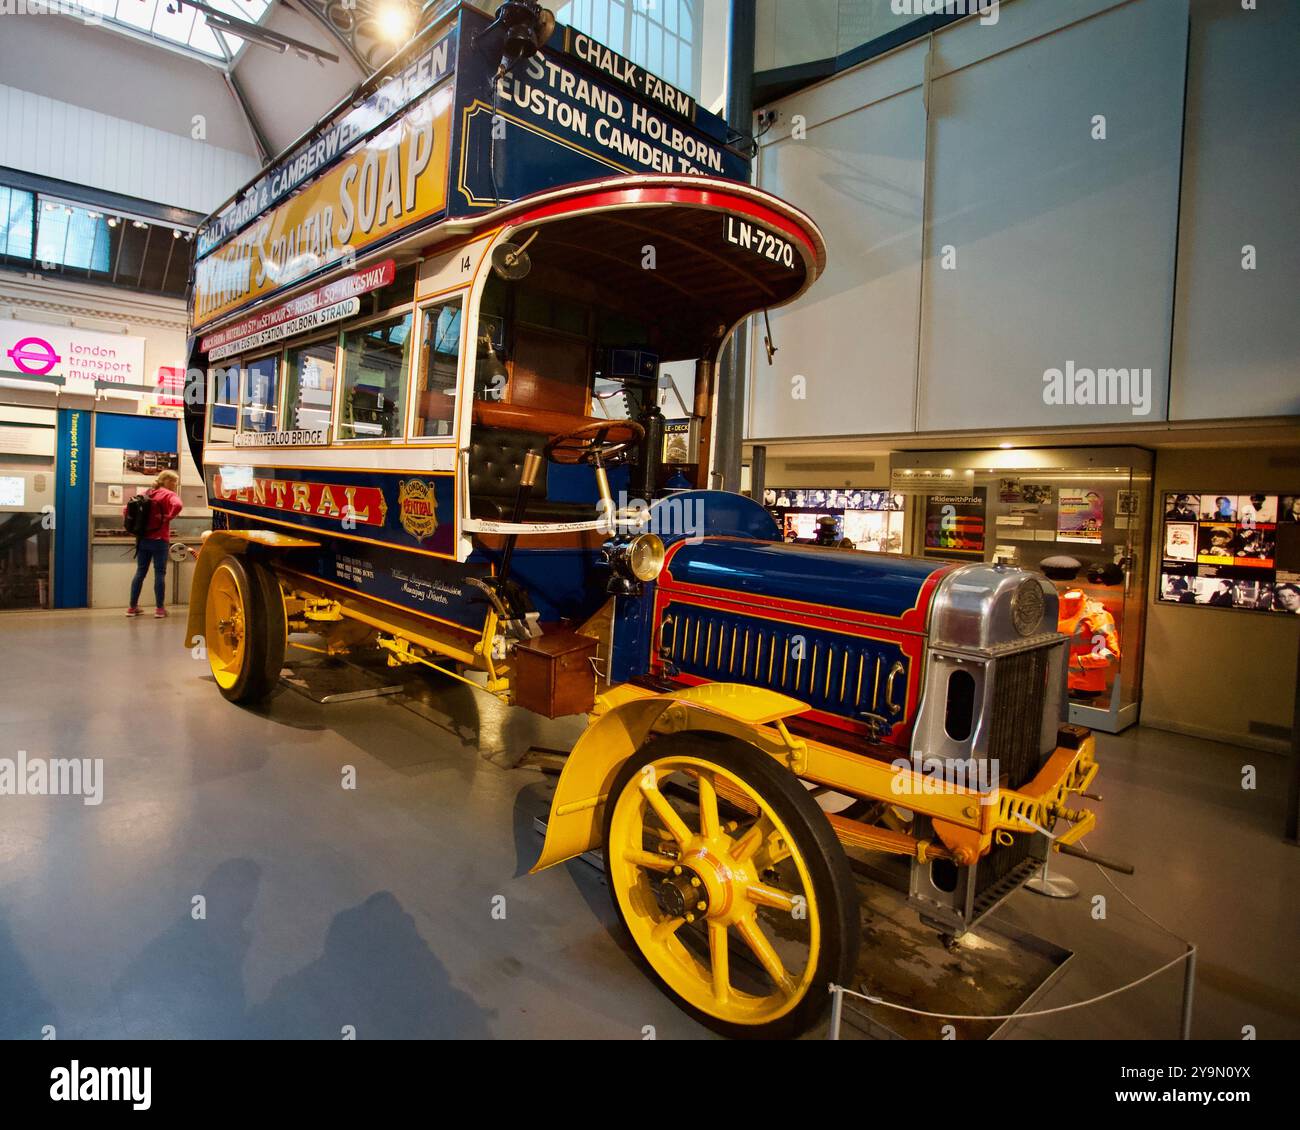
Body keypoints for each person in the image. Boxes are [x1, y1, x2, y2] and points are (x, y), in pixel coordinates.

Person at [124, 470, 183, 618]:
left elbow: (126, 510)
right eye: (174, 482)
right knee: (159, 573)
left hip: (143, 540)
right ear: (167, 481)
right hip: (160, 541)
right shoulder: (168, 494)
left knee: (140, 572)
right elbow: (178, 505)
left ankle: (132, 608)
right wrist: (168, 517)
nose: (176, 485)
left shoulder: (148, 492)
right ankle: (160, 609)